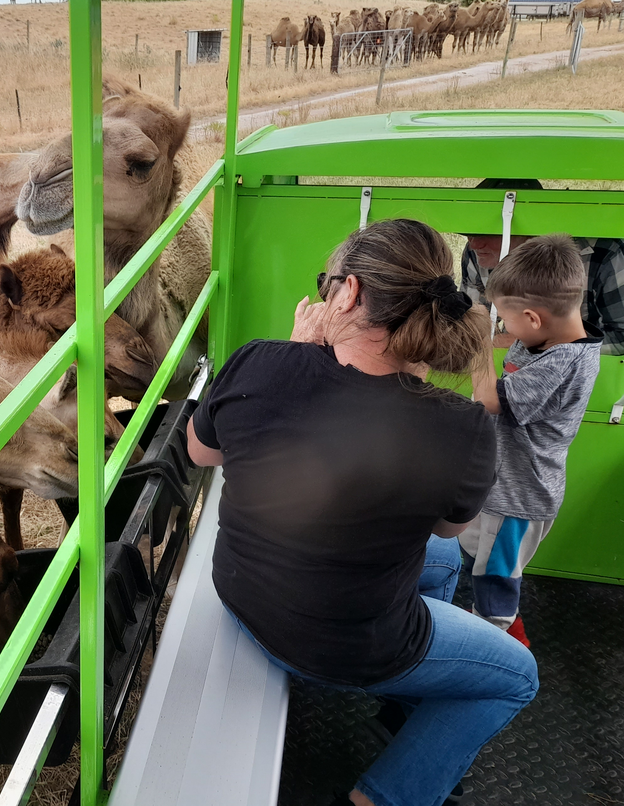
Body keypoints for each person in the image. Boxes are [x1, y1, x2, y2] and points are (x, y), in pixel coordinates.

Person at [188, 219, 538, 806]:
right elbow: (447, 522)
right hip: (345, 646)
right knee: (518, 678)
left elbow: (204, 452)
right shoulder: (461, 426)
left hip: (245, 597)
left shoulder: (259, 361)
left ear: (347, 293)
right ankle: (382, 795)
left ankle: (410, 699)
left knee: (443, 562)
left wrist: (295, 355)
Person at [465, 234, 603, 647]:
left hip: (518, 499)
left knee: (495, 587)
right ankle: (505, 632)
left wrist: (476, 344)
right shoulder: (549, 341)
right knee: (481, 563)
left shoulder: (561, 363)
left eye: (505, 319)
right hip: (501, 488)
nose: (503, 328)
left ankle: (498, 655)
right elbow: (510, 353)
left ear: (534, 317)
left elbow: (490, 400)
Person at [460, 177, 624, 354]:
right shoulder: (476, 253)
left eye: (487, 234)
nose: (475, 245)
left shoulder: (604, 255)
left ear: (528, 229)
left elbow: (621, 338)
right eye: (469, 233)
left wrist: (535, 344)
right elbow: (471, 322)